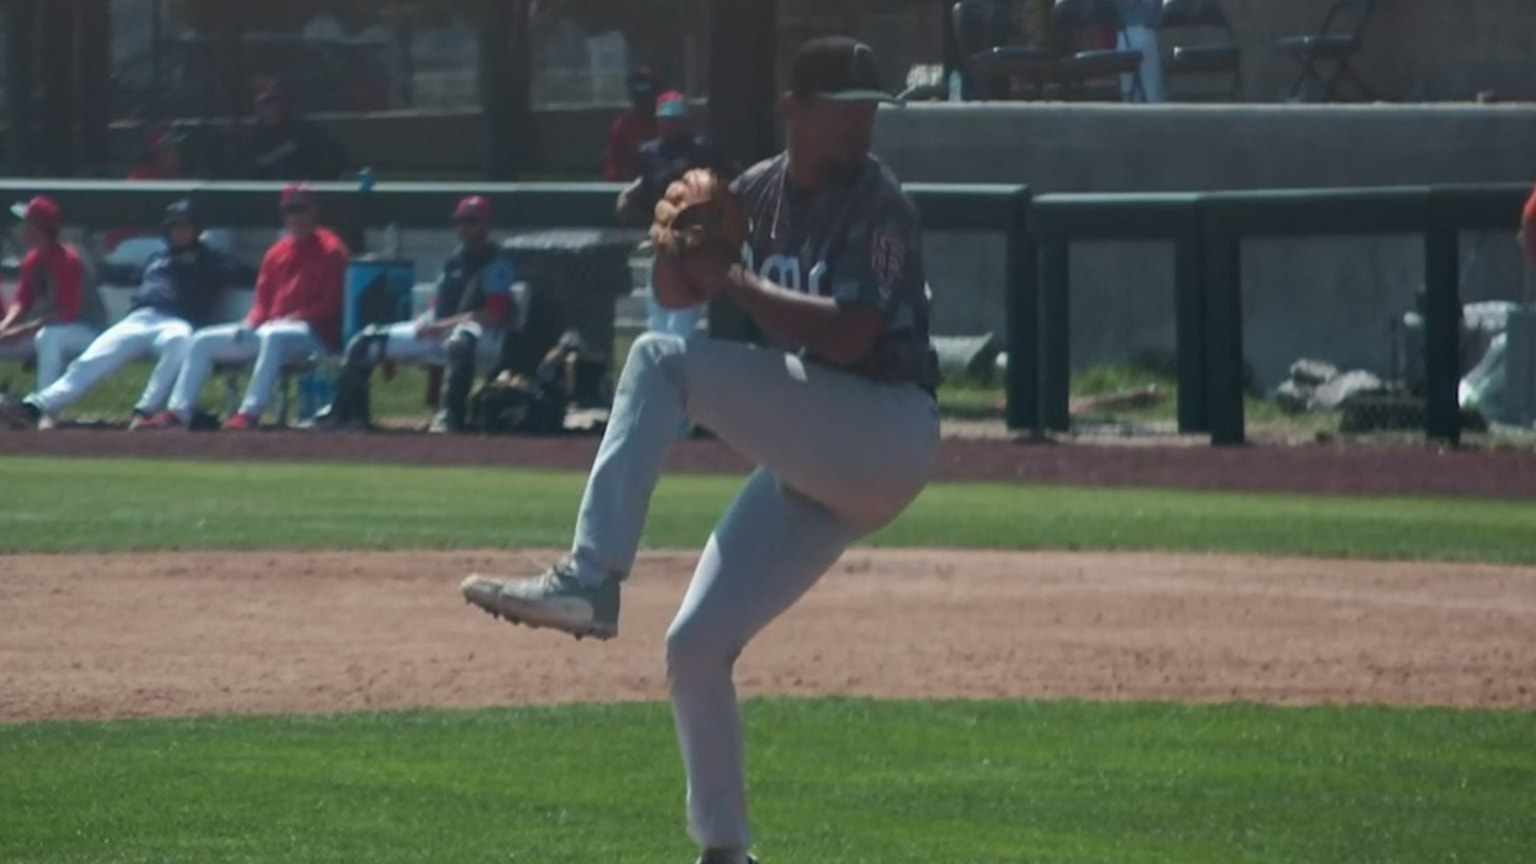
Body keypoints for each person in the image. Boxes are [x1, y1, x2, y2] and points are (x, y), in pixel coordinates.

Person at [459, 36, 939, 864]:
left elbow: (852, 336)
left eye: (869, 107)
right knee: (694, 645)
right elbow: (676, 290)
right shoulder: (754, 192)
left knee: (660, 360)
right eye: (843, 107)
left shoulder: (879, 202)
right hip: (817, 450)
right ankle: (725, 849)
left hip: (885, 429)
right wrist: (681, 254)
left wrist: (729, 276)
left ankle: (591, 577)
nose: (860, 123)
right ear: (795, 109)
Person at [0, 201, 251, 431]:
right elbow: (126, 274)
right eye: (175, 226)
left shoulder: (210, 259)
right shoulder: (158, 258)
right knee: (91, 361)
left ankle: (146, 412)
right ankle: (36, 407)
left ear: (196, 230)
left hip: (176, 322)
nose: (180, 232)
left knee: (180, 341)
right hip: (138, 319)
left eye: (185, 226)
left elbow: (245, 274)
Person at [137, 184, 347, 431]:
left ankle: (250, 412)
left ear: (314, 212)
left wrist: (294, 318)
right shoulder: (276, 253)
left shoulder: (332, 250)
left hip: (314, 336)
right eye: (290, 210)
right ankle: (179, 411)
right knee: (203, 340)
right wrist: (249, 324)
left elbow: (331, 305)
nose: (295, 217)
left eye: (301, 209)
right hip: (271, 332)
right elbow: (262, 304)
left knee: (274, 334)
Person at [315, 195, 522, 434]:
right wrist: (426, 320)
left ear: (486, 225)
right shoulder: (453, 261)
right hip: (439, 331)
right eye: (461, 221)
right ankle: (346, 413)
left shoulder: (496, 263)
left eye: (472, 221)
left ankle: (450, 417)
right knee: (365, 340)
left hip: (481, 336)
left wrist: (443, 325)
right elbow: (438, 303)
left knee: (460, 342)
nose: (465, 227)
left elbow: (494, 314)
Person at [618, 90, 743, 343]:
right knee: (657, 314)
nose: (670, 124)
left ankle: (678, 358)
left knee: (683, 319)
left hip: (697, 242)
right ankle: (662, 357)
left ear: (686, 121)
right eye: (666, 118)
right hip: (664, 240)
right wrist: (631, 195)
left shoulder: (703, 151)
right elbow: (645, 185)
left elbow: (735, 178)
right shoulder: (649, 153)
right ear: (658, 121)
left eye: (676, 119)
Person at [0, 197, 106, 402]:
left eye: (27, 224)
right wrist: (5, 326)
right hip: (49, 327)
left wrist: (21, 331)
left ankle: (43, 404)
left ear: (39, 229)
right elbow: (22, 300)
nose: (21, 229)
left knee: (49, 338)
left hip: (86, 328)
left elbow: (67, 314)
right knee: (43, 336)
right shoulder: (34, 258)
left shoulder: (68, 259)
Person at [242, 80, 352, 182]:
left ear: (285, 104)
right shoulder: (252, 138)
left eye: (277, 102)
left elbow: (336, 157)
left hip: (304, 191)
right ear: (258, 107)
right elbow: (248, 173)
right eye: (267, 103)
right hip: (267, 192)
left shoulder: (306, 130)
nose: (272, 108)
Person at [603, 67, 661, 182]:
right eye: (637, 95)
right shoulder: (623, 126)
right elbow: (613, 166)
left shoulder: (669, 124)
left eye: (647, 94)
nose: (642, 100)